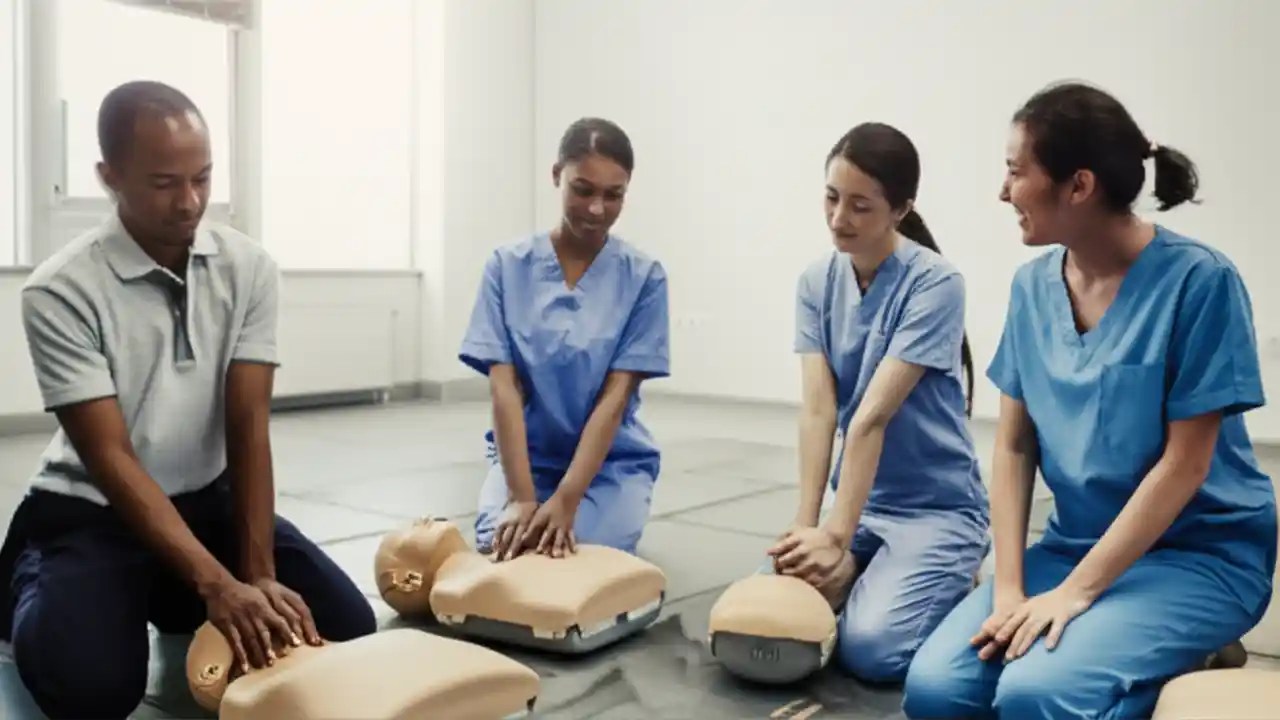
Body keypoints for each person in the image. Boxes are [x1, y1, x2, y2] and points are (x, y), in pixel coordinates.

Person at [0, 81, 376, 719]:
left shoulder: (248, 267)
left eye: (202, 178)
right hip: (91, 512)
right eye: (164, 182)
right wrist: (214, 582)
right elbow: (110, 457)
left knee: (345, 624)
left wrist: (255, 574)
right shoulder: (59, 290)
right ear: (109, 175)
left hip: (206, 502)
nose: (190, 201)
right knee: (93, 692)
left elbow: (247, 424)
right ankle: (25, 588)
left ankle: (171, 591)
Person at [902, 81, 1277, 720]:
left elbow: (1186, 465)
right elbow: (1015, 445)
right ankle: (1157, 657)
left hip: (1197, 557)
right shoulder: (1031, 289)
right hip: (1074, 546)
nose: (1002, 192)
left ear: (1078, 186)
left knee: (1034, 694)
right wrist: (1012, 585)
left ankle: (1193, 652)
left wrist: (1075, 596)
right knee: (938, 692)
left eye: (1016, 172)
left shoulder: (1200, 282)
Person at [765, 123, 991, 683]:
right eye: (832, 197)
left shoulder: (937, 283)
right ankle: (867, 573)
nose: (839, 219)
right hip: (862, 501)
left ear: (901, 208)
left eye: (861, 206)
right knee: (775, 616)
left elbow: (870, 418)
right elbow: (819, 409)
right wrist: (806, 530)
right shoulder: (816, 282)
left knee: (871, 652)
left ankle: (960, 579)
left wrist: (836, 542)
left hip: (936, 509)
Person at [459, 117, 670, 562]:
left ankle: (599, 512)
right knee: (498, 542)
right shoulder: (506, 266)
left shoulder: (645, 278)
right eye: (583, 189)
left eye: (613, 195)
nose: (597, 208)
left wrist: (568, 499)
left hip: (609, 466)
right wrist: (521, 497)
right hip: (527, 460)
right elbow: (503, 388)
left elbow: (615, 400)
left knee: (582, 551)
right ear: (557, 176)